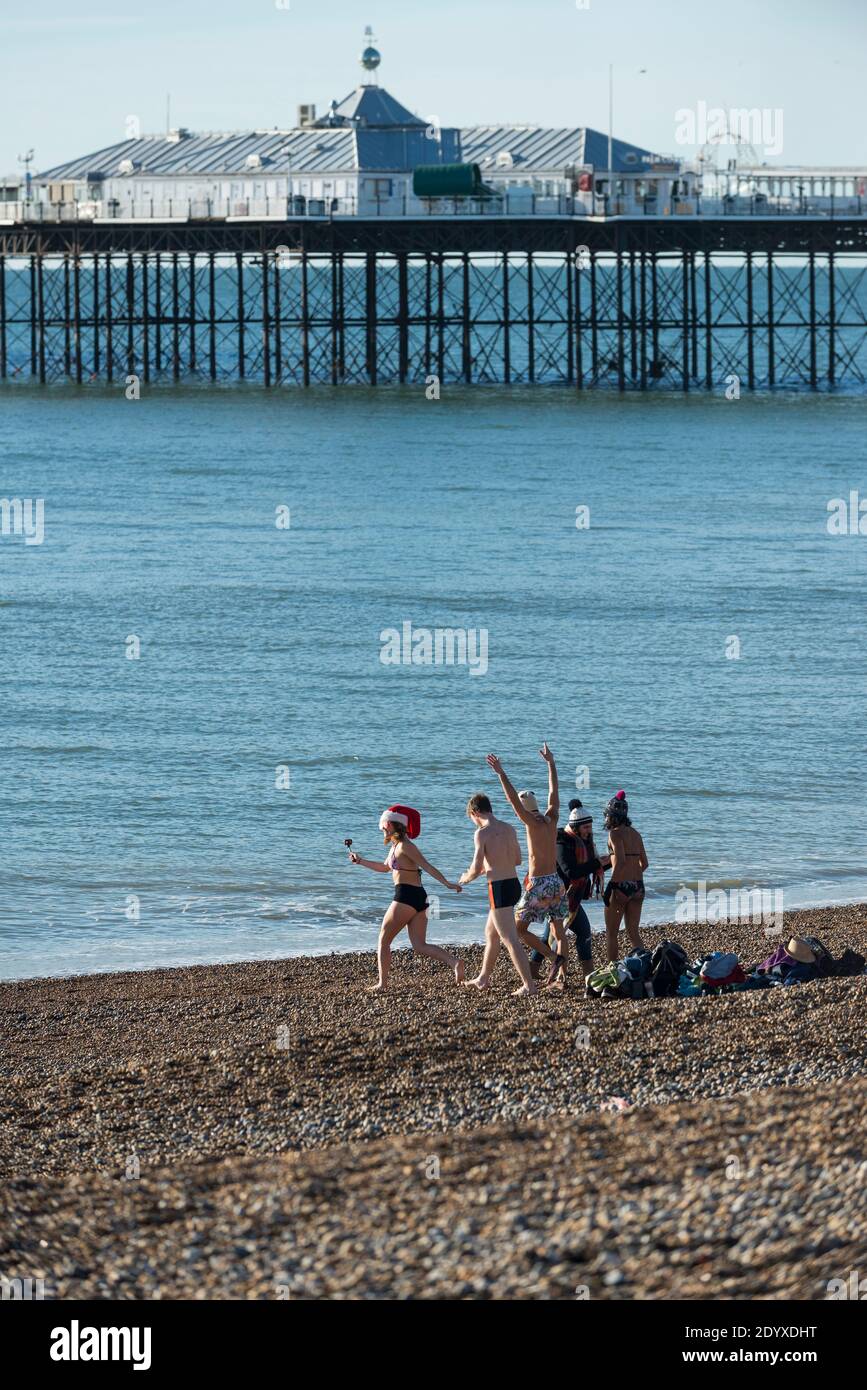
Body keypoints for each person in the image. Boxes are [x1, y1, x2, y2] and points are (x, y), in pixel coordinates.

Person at [349, 804, 464, 993]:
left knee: (384, 940)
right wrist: (360, 861)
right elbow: (385, 867)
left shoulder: (406, 846)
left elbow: (427, 866)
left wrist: (447, 884)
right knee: (419, 946)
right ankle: (455, 962)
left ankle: (382, 984)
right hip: (418, 897)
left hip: (405, 896)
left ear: (395, 825)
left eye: (385, 825)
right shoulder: (396, 847)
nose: (382, 828)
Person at [485, 744, 568, 987]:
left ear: (524, 809)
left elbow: (512, 800)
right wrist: (551, 763)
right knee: (559, 931)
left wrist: (501, 773)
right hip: (556, 881)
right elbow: (554, 792)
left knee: (518, 930)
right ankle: (562, 977)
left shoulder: (530, 823)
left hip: (540, 884)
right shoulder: (552, 818)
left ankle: (553, 957)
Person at [458, 792, 538, 996]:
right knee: (491, 933)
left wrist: (465, 878)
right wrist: (492, 865)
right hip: (512, 884)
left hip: (499, 888)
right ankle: (483, 978)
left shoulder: (482, 833)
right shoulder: (509, 828)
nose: (474, 823)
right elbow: (518, 860)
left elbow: (475, 868)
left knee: (510, 938)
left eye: (472, 819)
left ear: (475, 812)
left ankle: (529, 986)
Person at [556, 801, 609, 982]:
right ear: (576, 827)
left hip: (573, 897)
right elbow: (571, 872)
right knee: (579, 932)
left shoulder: (585, 842)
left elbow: (589, 868)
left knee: (555, 936)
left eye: (590, 826)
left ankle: (535, 968)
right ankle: (580, 974)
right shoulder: (562, 841)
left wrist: (608, 862)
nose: (589, 830)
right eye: (586, 827)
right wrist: (597, 863)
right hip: (561, 897)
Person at [602, 790, 648, 961]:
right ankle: (644, 964)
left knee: (612, 933)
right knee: (633, 932)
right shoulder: (636, 834)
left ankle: (612, 970)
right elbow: (645, 863)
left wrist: (612, 885)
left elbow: (620, 861)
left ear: (611, 815)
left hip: (620, 886)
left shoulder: (614, 833)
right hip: (638, 886)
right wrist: (632, 876)